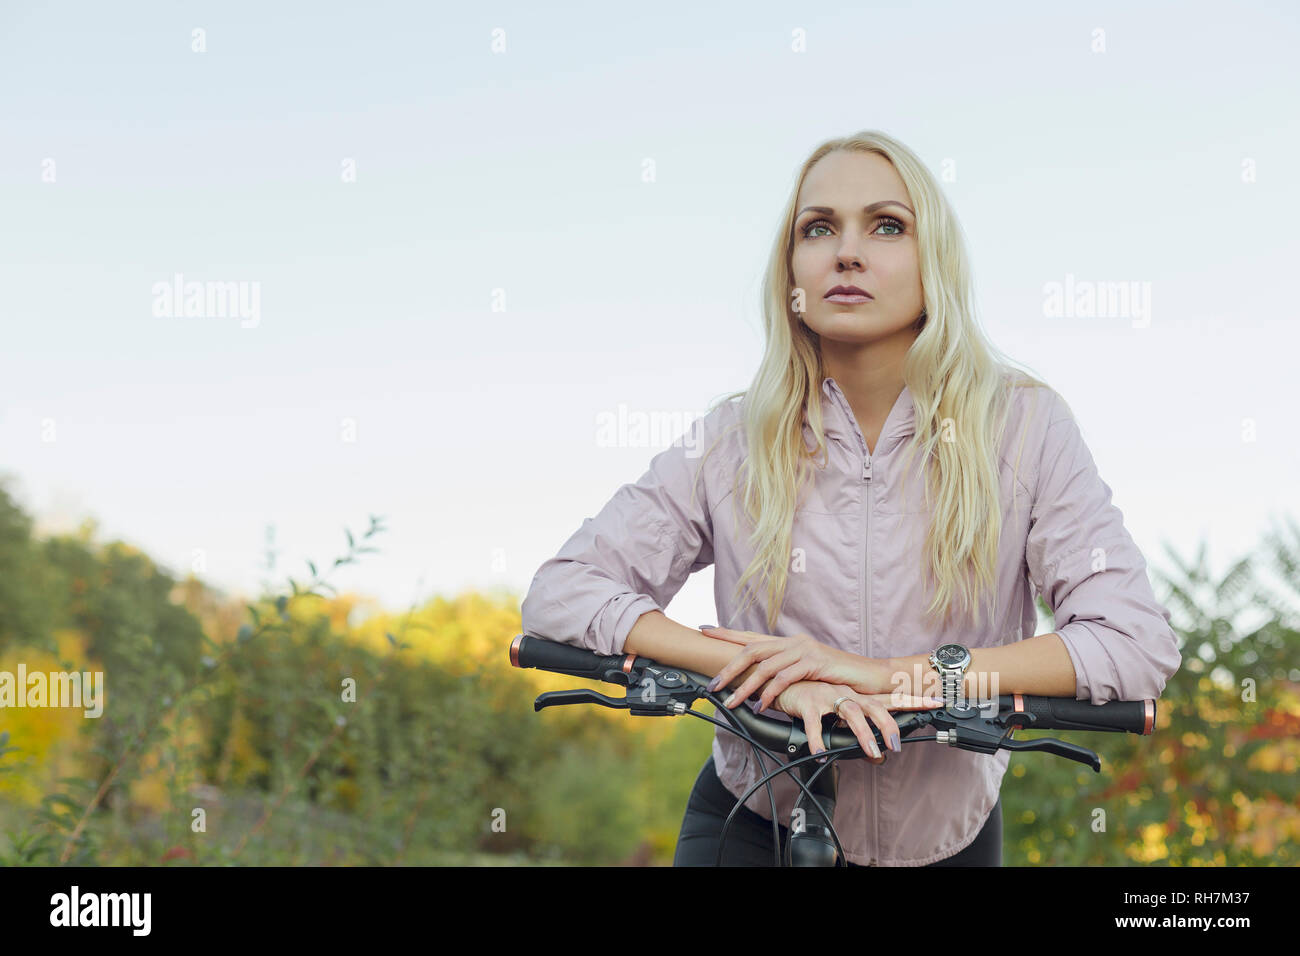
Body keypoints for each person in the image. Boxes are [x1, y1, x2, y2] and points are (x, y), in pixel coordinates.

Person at [520, 129, 1182, 867]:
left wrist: (894, 678)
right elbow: (563, 591)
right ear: (791, 272)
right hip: (751, 820)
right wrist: (771, 679)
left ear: (934, 261)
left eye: (887, 225)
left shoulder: (1027, 427)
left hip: (947, 840)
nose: (847, 252)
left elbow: (1132, 642)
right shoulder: (732, 437)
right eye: (819, 228)